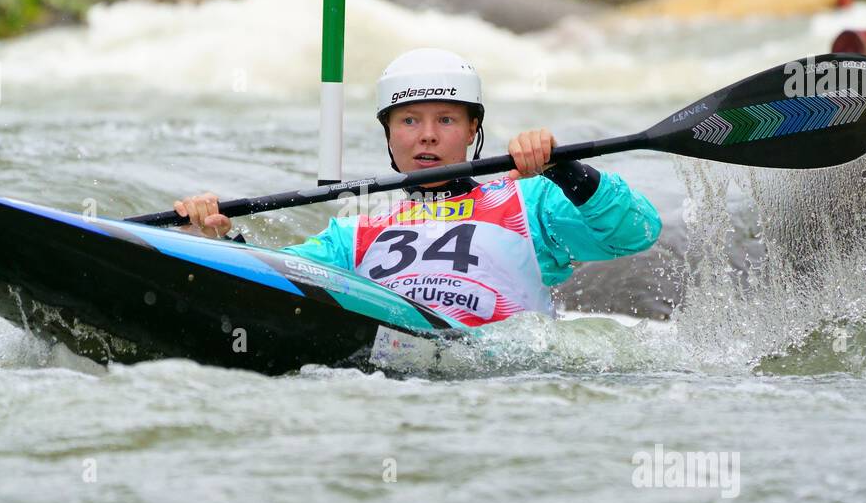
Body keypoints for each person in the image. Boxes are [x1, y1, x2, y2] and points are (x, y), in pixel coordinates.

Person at [174, 48, 661, 326]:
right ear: (389, 133)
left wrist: (564, 167)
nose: (427, 134)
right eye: (409, 120)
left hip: (500, 377)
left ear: (473, 130)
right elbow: (282, 292)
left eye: (446, 119)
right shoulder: (355, 230)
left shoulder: (528, 200)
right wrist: (223, 240)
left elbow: (636, 232)